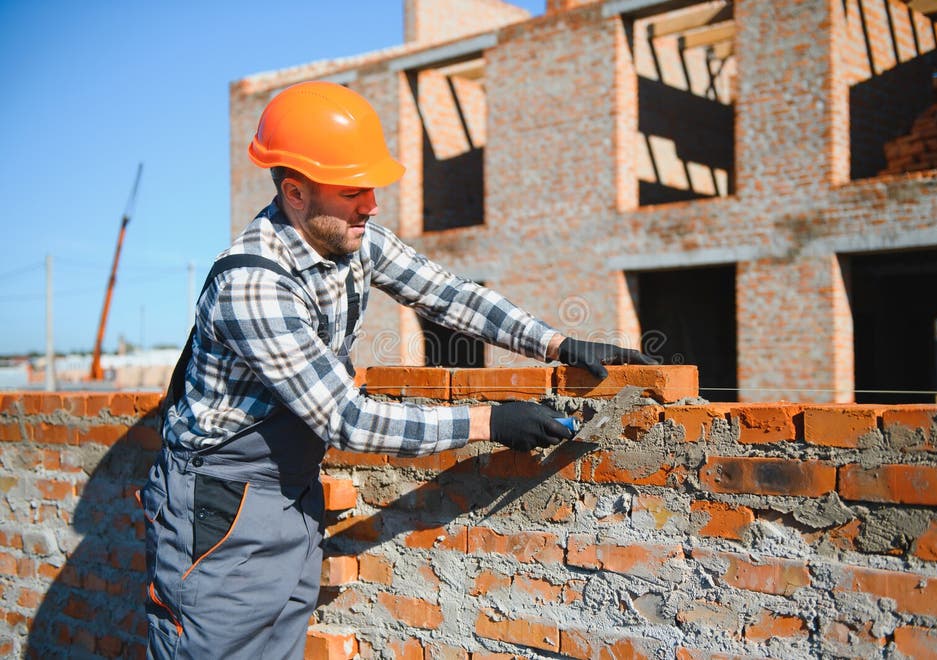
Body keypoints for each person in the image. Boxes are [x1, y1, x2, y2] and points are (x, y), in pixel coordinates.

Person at [141, 81, 656, 659]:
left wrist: (558, 345)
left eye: (373, 186)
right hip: (219, 509)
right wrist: (491, 422)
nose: (372, 204)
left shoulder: (352, 240)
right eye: (353, 190)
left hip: (291, 492)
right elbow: (348, 421)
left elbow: (450, 296)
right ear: (295, 191)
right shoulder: (253, 285)